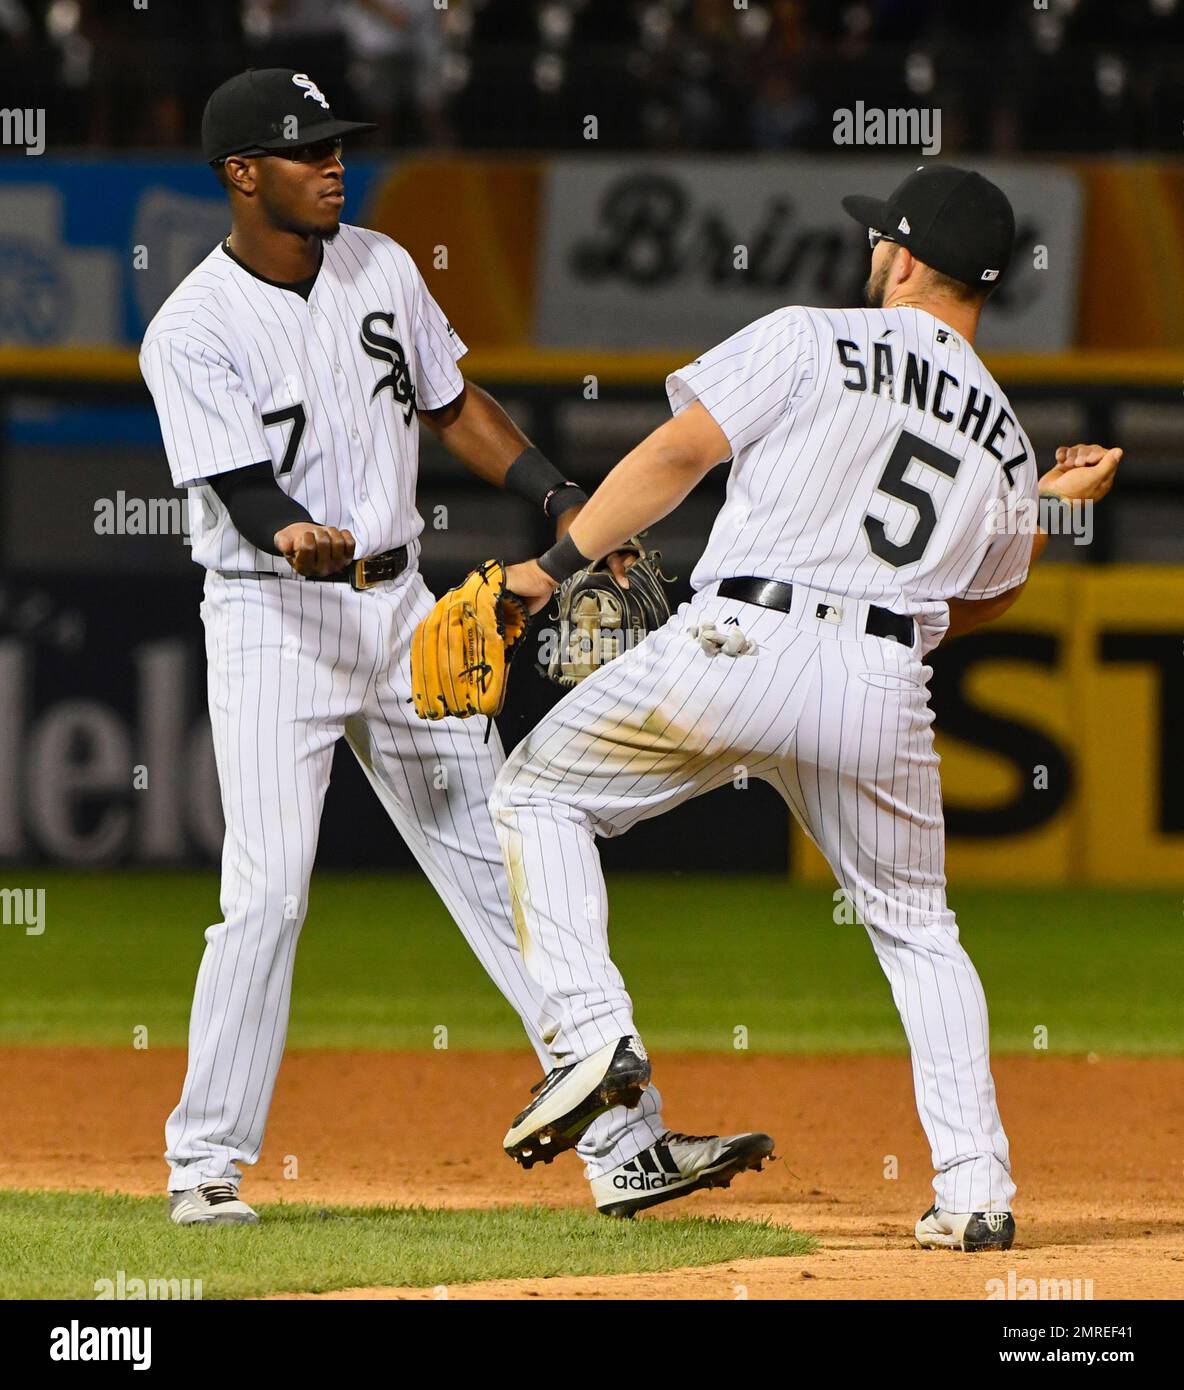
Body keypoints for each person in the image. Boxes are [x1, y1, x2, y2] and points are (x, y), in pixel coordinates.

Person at [139, 67, 770, 1226]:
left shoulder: (380, 265)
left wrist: (561, 499)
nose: (333, 163)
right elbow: (234, 483)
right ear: (239, 173)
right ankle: (205, 1164)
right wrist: (289, 533)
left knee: (503, 867)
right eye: (303, 149)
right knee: (268, 895)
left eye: (337, 144)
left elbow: (454, 403)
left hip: (404, 618)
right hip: (273, 622)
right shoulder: (190, 326)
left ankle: (626, 1147)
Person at [484, 166, 1121, 1250]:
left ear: (906, 258)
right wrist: (1048, 501)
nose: (870, 250)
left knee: (533, 796)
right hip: (881, 680)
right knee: (921, 932)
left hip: (739, 639)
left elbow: (681, 453)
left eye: (882, 238)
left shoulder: (809, 334)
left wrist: (545, 571)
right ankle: (974, 1191)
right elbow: (983, 596)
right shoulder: (1005, 436)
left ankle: (594, 1037)